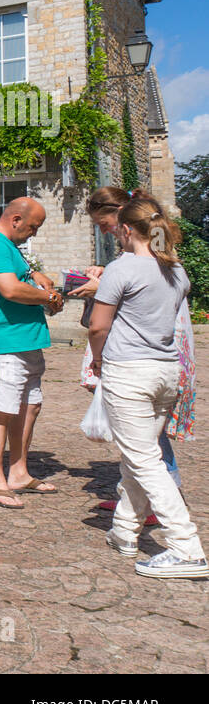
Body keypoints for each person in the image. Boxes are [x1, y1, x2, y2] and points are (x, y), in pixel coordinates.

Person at [87, 195, 207, 577]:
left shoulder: (122, 268)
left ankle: (186, 546)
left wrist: (97, 358)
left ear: (126, 229)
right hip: (166, 371)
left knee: (143, 460)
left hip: (129, 371)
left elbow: (97, 326)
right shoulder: (175, 270)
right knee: (138, 455)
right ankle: (124, 530)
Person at [70, 187, 194, 501]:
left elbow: (140, 291)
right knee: (146, 425)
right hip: (158, 341)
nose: (105, 231)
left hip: (144, 343)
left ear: (122, 216)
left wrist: (104, 286)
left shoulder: (136, 256)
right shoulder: (154, 246)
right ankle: (141, 499)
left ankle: (163, 497)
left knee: (145, 425)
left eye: (104, 224)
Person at [0, 196, 64, 509]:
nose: (34, 233)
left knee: (28, 407)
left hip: (22, 342)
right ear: (16, 219)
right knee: (0, 410)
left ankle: (19, 472)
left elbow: (19, 277)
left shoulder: (9, 247)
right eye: (33, 226)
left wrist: (35, 274)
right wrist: (47, 296)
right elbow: (9, 289)